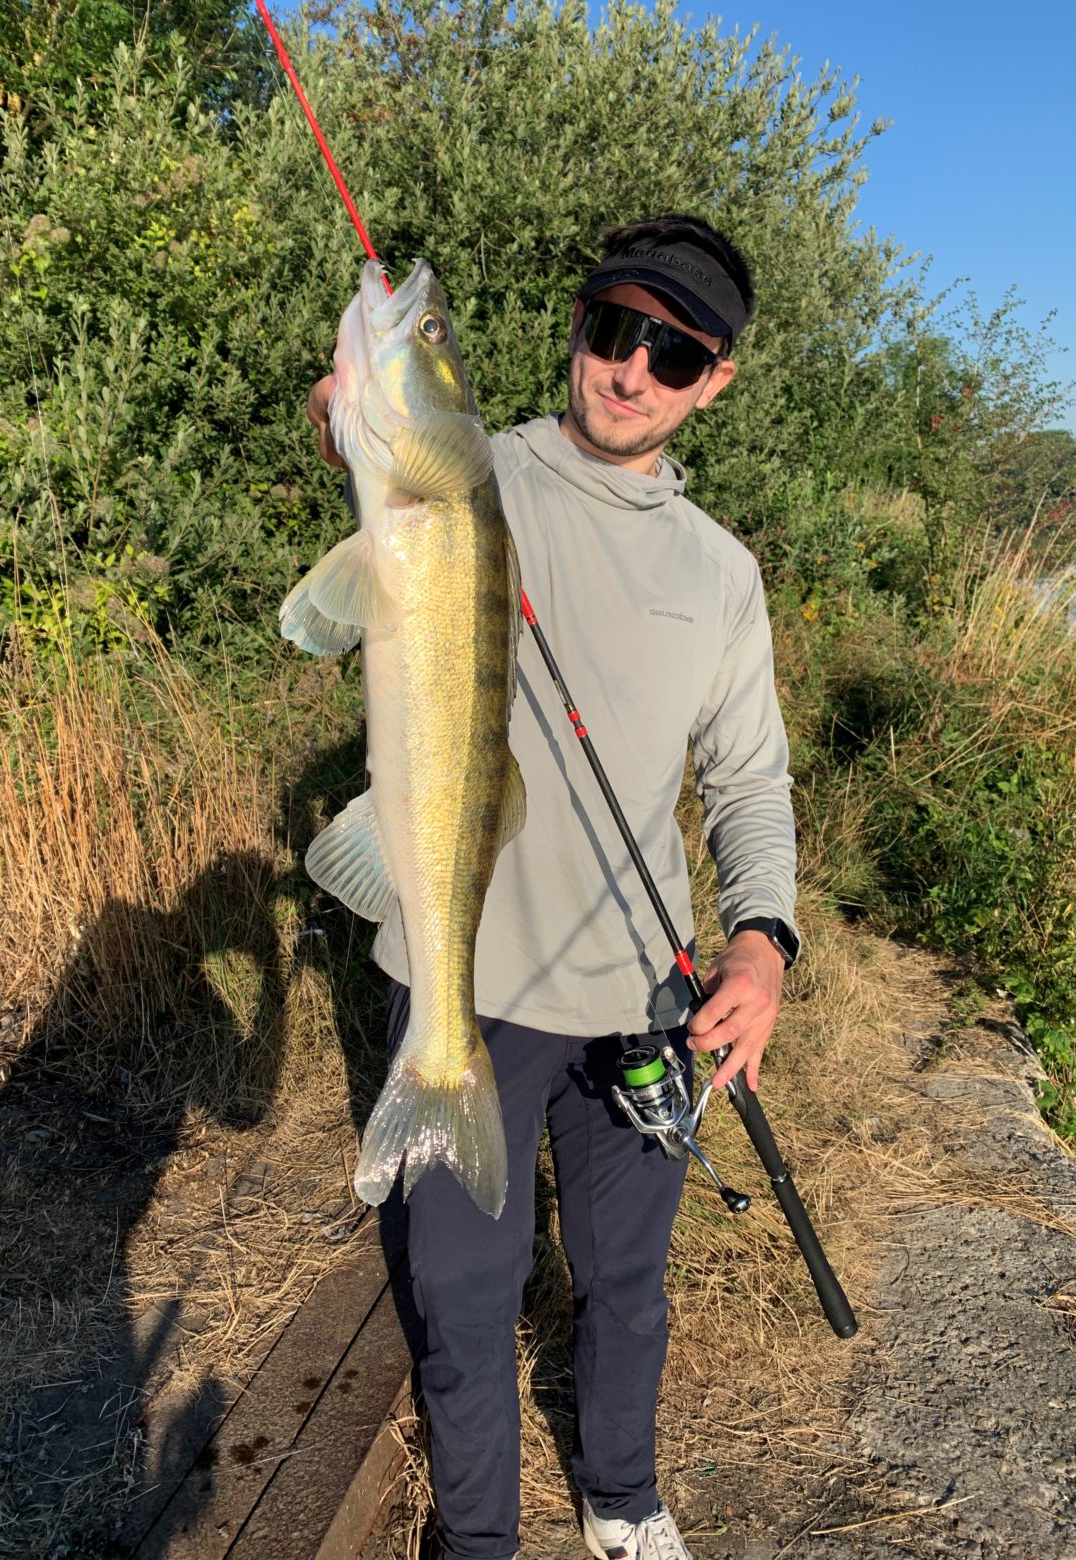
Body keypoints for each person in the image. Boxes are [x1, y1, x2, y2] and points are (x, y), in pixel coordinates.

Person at [307, 215, 800, 1560]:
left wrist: (758, 947)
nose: (629, 369)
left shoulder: (720, 575)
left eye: (673, 349)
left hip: (644, 991)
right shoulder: (474, 477)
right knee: (461, 1299)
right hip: (467, 990)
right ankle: (476, 1539)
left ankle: (623, 1496)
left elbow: (751, 782)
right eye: (611, 329)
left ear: (713, 380)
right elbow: (385, 474)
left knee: (628, 1280)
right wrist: (352, 418)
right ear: (576, 329)